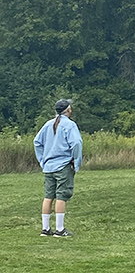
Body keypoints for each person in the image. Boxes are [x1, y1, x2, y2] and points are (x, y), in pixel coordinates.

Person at [34, 98, 83, 238]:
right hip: (63, 165)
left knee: (48, 196)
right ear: (68, 110)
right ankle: (60, 230)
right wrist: (76, 161)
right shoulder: (70, 125)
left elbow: (37, 142)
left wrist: (42, 160)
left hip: (49, 166)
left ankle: (45, 229)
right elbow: (77, 144)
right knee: (62, 195)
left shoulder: (48, 124)